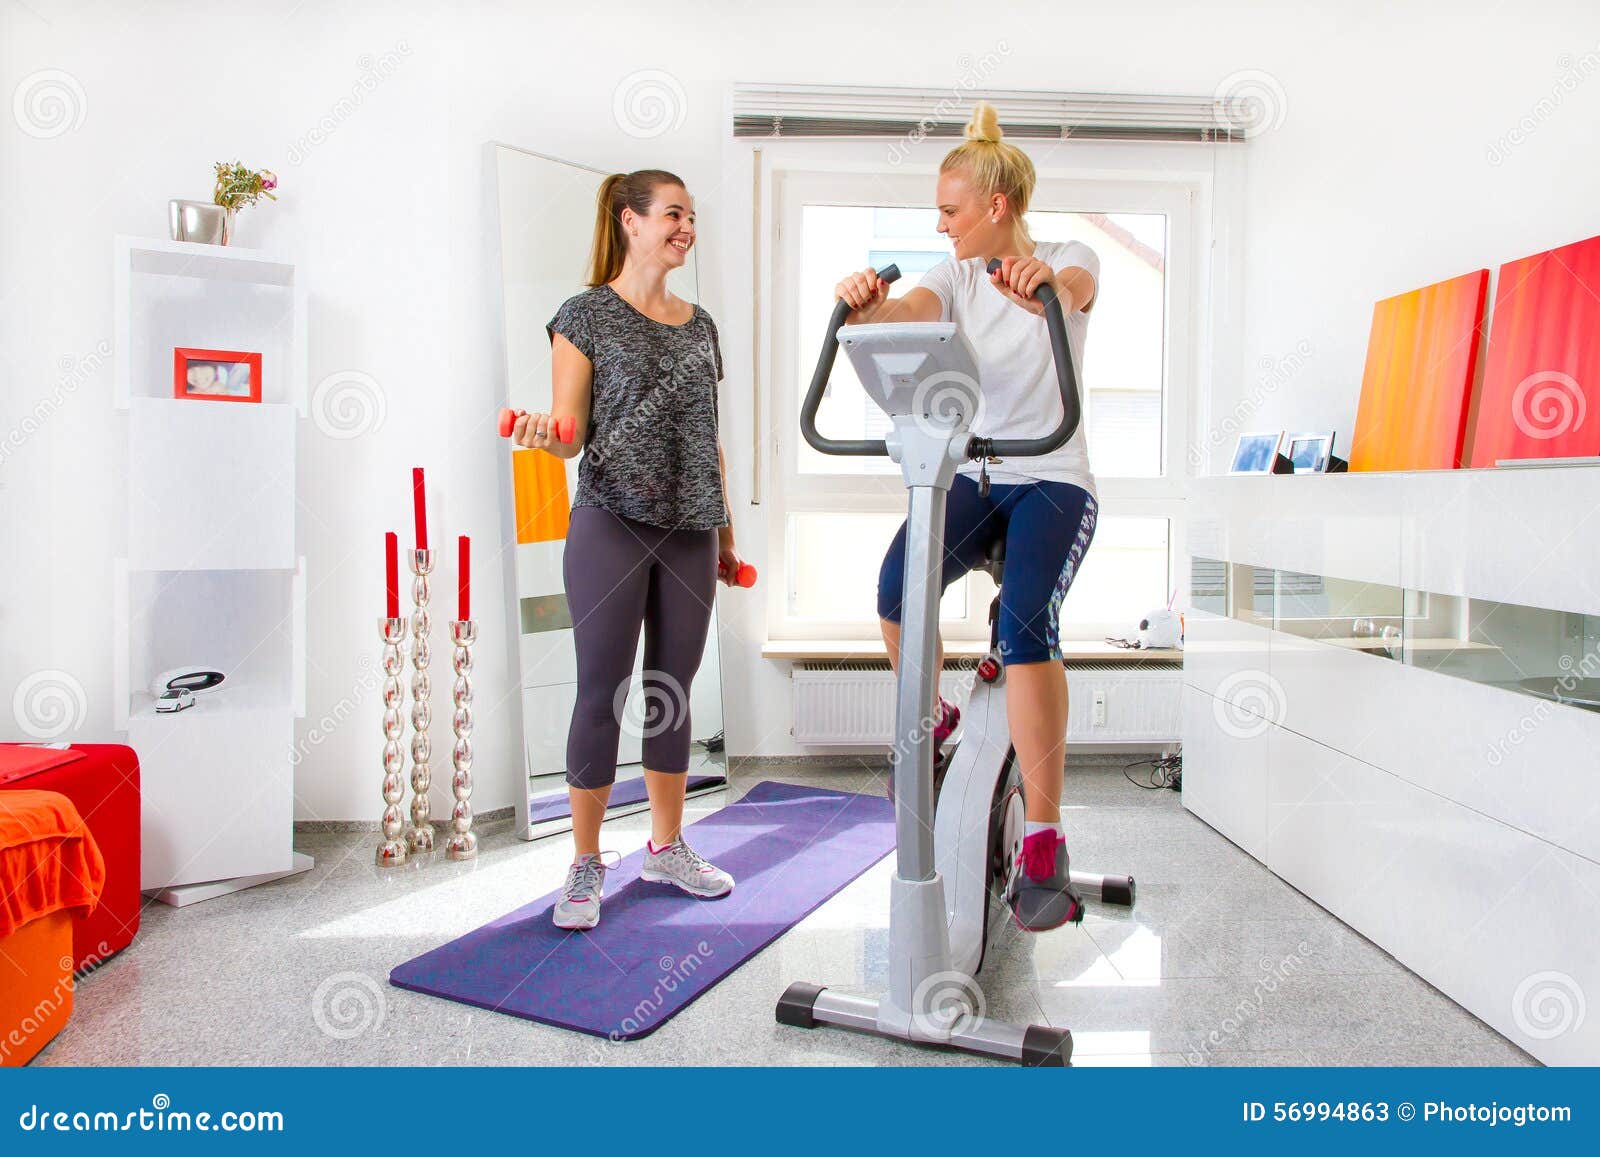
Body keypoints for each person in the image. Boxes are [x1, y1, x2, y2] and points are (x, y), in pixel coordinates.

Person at [833, 102, 1101, 932]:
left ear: (997, 207)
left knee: (1024, 625)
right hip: (976, 471)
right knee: (892, 592)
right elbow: (912, 313)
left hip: (1051, 474)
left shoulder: (1068, 257)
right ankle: (937, 717)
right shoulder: (948, 277)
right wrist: (863, 307)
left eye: (950, 210)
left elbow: (1074, 290)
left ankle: (1047, 837)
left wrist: (1043, 288)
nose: (940, 224)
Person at [512, 168, 746, 931]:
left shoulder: (701, 324)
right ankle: (585, 862)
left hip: (691, 528)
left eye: (691, 215)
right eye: (673, 214)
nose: (686, 227)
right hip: (611, 522)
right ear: (630, 221)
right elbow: (568, 429)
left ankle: (666, 846)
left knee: (670, 689)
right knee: (599, 691)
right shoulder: (583, 315)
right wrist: (543, 436)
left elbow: (708, 435)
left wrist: (726, 528)